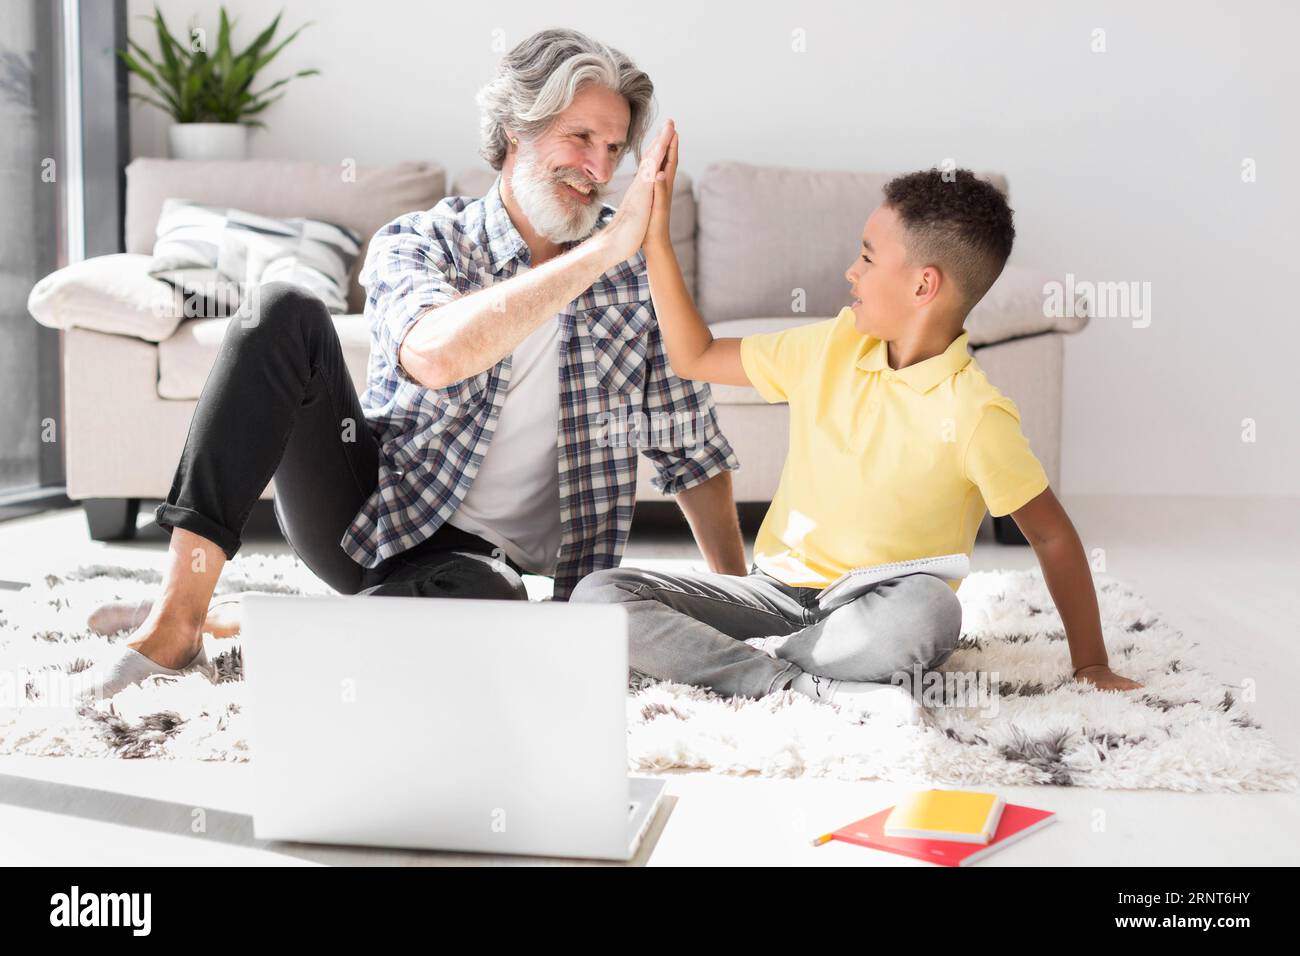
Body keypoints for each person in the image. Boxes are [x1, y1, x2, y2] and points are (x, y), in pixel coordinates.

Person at [571, 121, 1143, 723]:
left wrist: (1092, 665)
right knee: (601, 596)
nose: (852, 271)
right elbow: (696, 356)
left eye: (868, 257)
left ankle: (745, 667)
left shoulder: (976, 413)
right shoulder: (833, 345)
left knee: (933, 611)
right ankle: (792, 684)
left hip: (876, 611)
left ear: (924, 285)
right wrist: (655, 241)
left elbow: (1051, 534)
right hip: (771, 595)